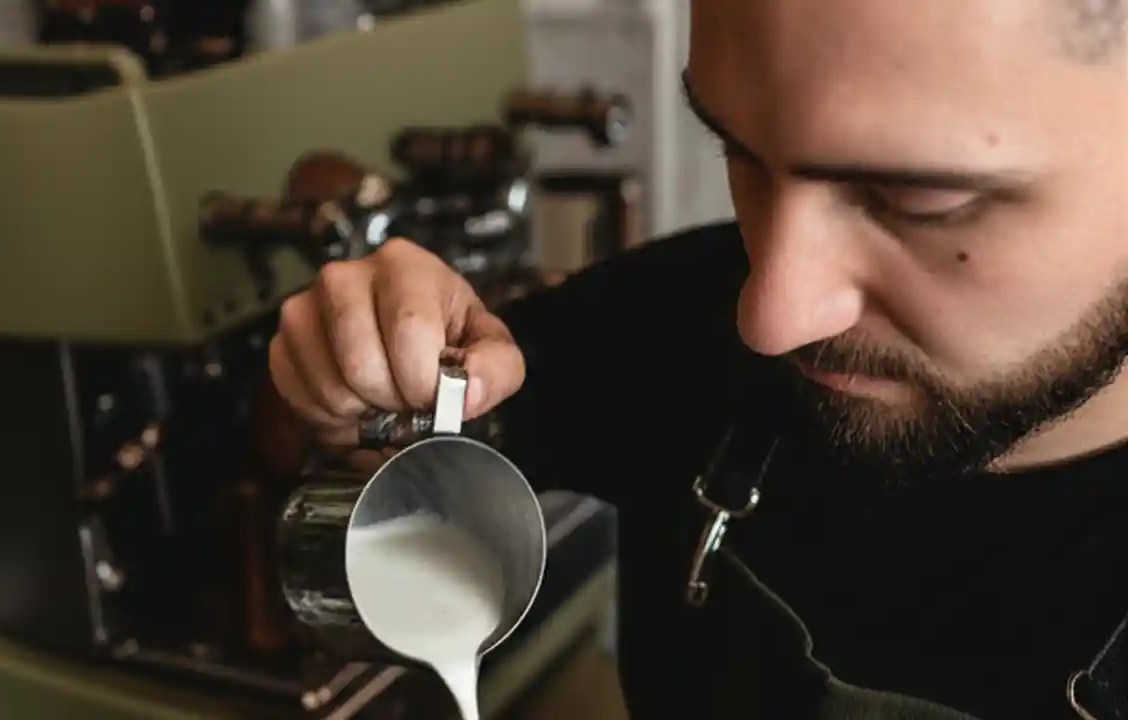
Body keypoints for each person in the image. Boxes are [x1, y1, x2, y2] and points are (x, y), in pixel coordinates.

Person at [268, 1, 1128, 717]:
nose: (770, 317)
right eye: (738, 155)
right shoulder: (681, 318)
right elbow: (372, 461)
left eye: (919, 201)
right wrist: (365, 369)